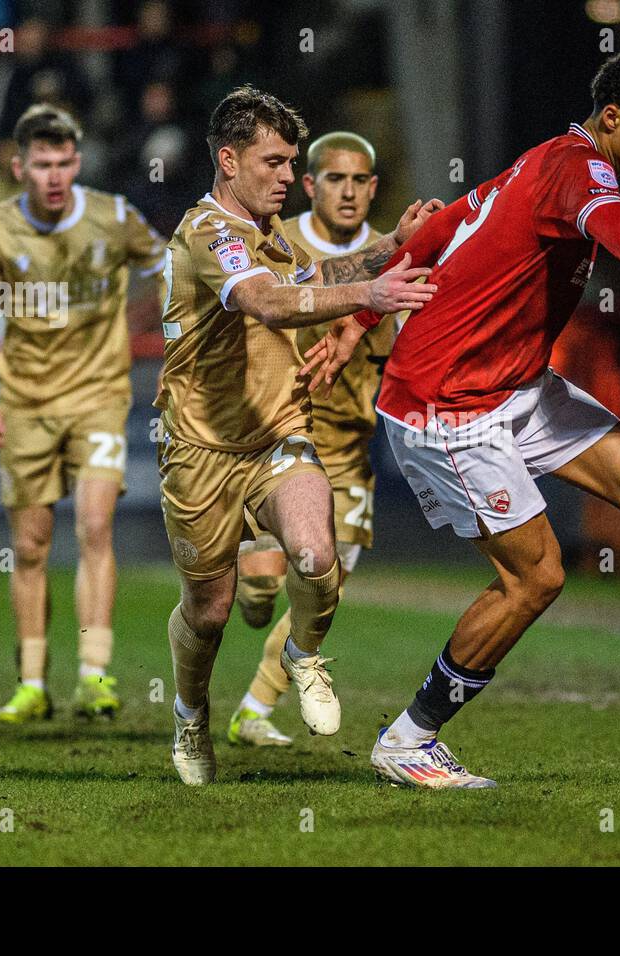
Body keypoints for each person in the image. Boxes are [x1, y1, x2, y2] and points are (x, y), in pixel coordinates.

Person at [303, 47, 620, 788]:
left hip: (515, 386)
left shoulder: (554, 157)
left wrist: (355, 326)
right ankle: (409, 739)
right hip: (448, 402)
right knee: (536, 579)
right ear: (613, 119)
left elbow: (447, 221)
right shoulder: (577, 171)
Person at [155, 86, 439, 785]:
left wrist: (389, 248)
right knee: (211, 608)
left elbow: (312, 275)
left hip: (280, 436)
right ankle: (191, 718)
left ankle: (301, 657)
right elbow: (268, 301)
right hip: (199, 450)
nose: (289, 176)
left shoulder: (270, 232)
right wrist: (368, 296)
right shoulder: (208, 233)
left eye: (290, 163)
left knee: (316, 556)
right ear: (229, 159)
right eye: (275, 162)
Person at [0, 105, 167, 722]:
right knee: (29, 543)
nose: (54, 175)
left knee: (96, 526)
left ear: (78, 162)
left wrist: (157, 325)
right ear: (19, 166)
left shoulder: (114, 218)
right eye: (42, 164)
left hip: (100, 398)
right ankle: (31, 682)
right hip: (24, 403)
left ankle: (94, 674)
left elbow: (170, 267)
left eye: (64, 163)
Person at [227, 131, 404, 747]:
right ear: (310, 184)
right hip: (275, 435)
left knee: (322, 583)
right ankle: (251, 588)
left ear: (373, 187)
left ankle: (254, 708)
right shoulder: (277, 243)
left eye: (360, 181)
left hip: (350, 451)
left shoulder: (400, 260)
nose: (349, 191)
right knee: (260, 585)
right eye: (335, 179)